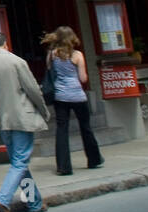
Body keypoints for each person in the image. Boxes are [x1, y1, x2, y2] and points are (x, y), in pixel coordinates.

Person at [0, 32, 49, 212]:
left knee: (19, 162)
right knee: (20, 162)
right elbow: (32, 89)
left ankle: (34, 202)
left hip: (2, 118)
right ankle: (3, 200)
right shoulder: (17, 62)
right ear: (6, 44)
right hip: (22, 116)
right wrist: (43, 110)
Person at [41, 26, 103, 174]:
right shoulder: (77, 55)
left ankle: (64, 166)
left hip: (60, 96)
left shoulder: (52, 55)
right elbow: (83, 78)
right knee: (85, 127)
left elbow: (50, 72)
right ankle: (93, 159)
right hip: (77, 95)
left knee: (62, 130)